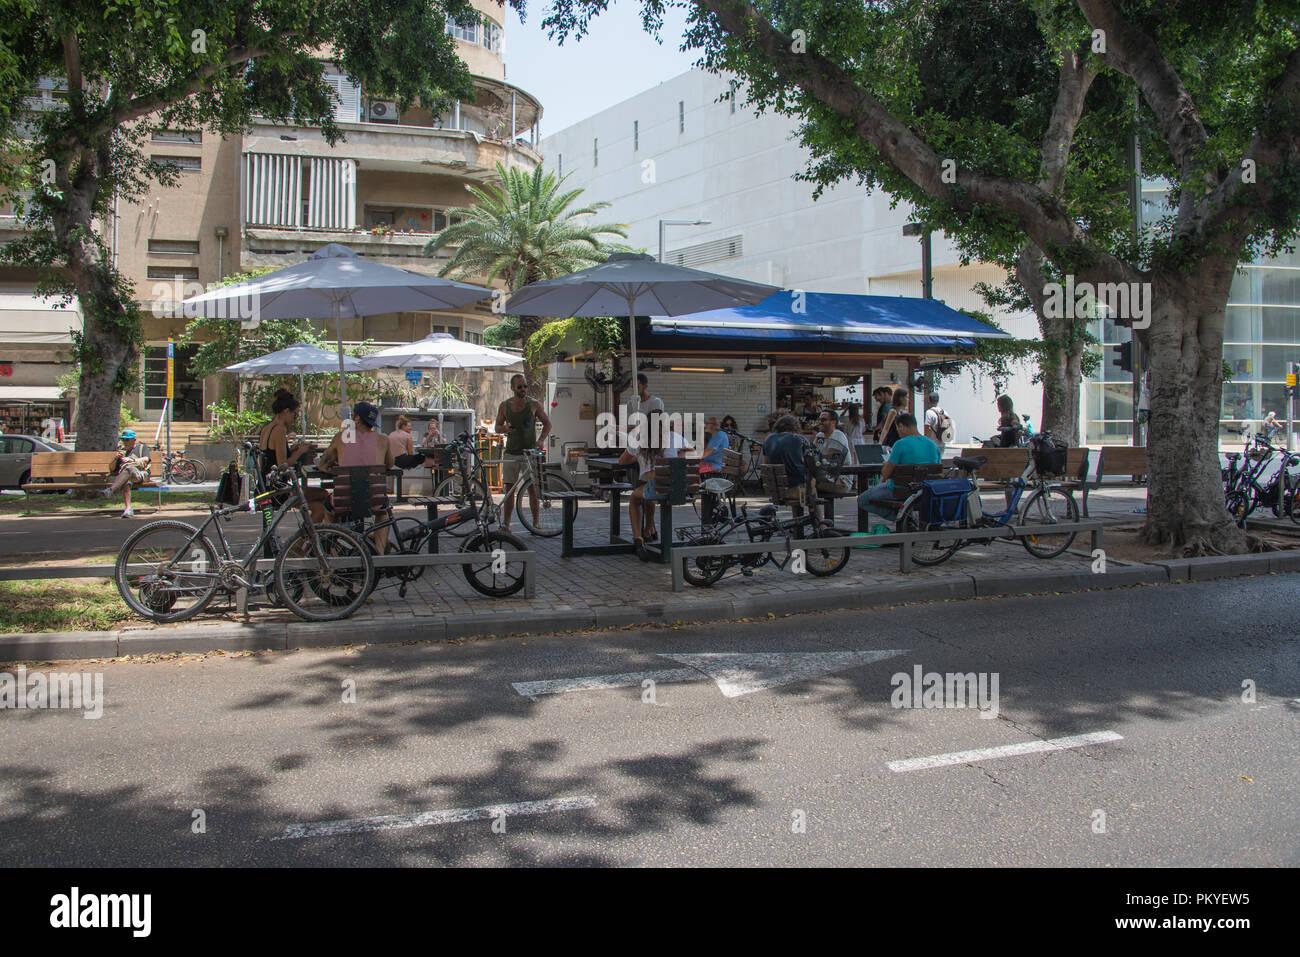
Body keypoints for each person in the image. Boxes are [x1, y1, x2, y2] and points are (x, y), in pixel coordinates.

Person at [628, 410, 690, 560]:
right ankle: (649, 528)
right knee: (649, 490)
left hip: (656, 490)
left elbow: (622, 461)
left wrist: (639, 458)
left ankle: (638, 537)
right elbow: (691, 452)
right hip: (678, 489)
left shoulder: (640, 439)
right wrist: (679, 457)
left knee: (635, 498)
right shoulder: (675, 437)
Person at [857, 413, 941, 524]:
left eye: (897, 429)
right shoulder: (933, 445)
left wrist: (886, 465)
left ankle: (900, 517)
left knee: (862, 500)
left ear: (901, 426)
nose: (898, 432)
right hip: (925, 491)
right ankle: (905, 517)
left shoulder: (900, 444)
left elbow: (886, 474)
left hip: (900, 490)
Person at [495, 373, 552, 534]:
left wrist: (541, 440)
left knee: (532, 489)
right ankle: (506, 524)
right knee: (509, 490)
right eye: (519, 387)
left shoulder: (534, 404)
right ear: (513, 388)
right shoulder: (505, 406)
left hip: (529, 453)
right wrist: (505, 428)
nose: (523, 389)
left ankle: (535, 523)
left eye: (525, 386)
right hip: (511, 452)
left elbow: (548, 423)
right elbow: (497, 427)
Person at [103, 429, 152, 517]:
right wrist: (115, 458)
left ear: (134, 440)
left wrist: (132, 460)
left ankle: (111, 490)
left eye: (127, 440)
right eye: (123, 440)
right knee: (126, 481)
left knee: (129, 468)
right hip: (126, 476)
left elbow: (146, 459)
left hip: (140, 474)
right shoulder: (121, 451)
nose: (125, 442)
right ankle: (128, 509)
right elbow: (112, 469)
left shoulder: (141, 447)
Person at [813, 408, 855, 491]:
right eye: (819, 420)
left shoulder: (838, 435)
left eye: (823, 420)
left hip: (841, 480)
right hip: (826, 477)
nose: (820, 422)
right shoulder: (820, 436)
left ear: (833, 422)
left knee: (807, 486)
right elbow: (813, 454)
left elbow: (831, 459)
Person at [762, 414, 809, 487]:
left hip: (774, 483)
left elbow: (766, 463)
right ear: (795, 426)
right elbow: (808, 462)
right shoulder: (799, 438)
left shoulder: (768, 438)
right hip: (796, 482)